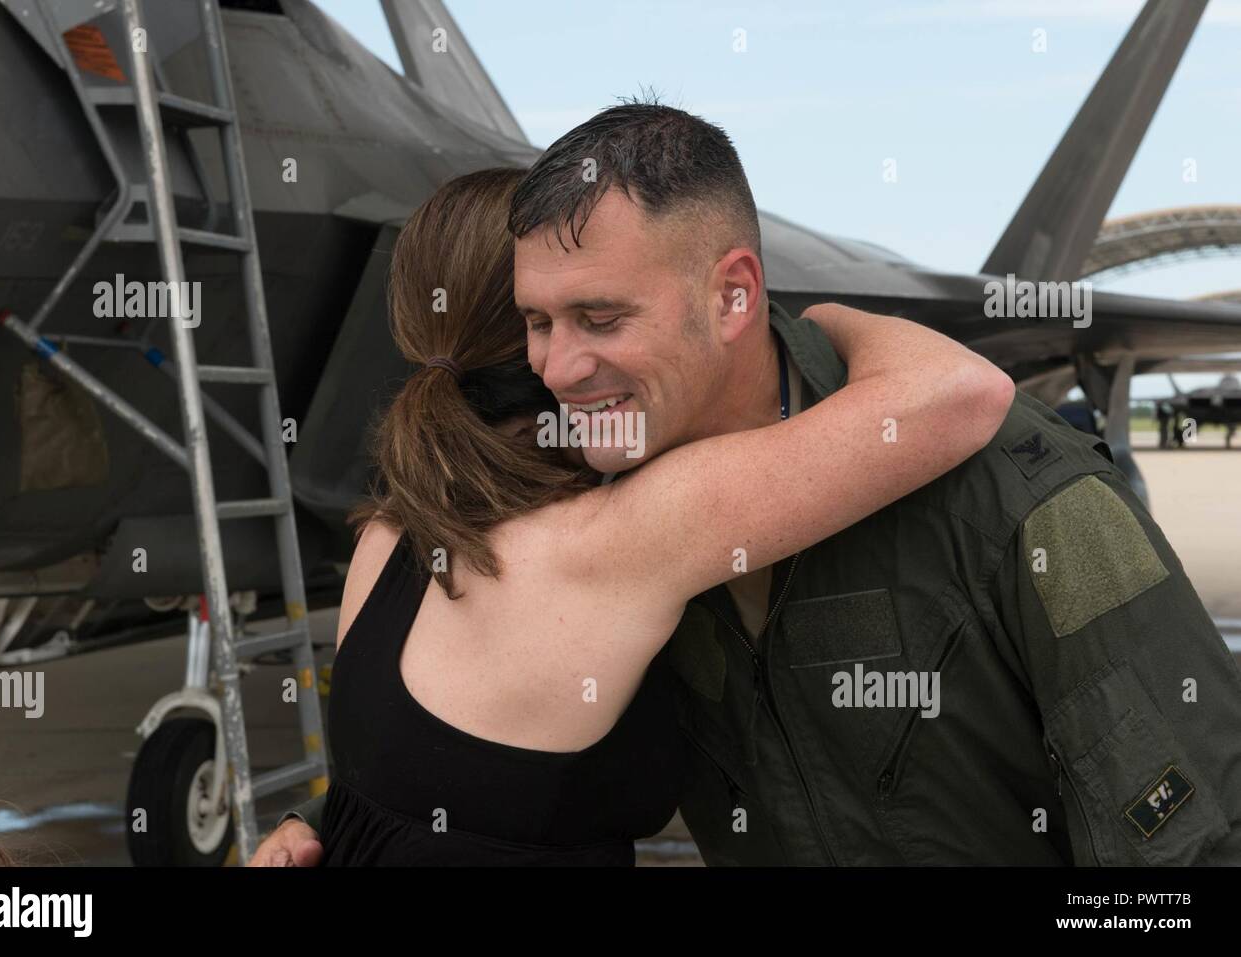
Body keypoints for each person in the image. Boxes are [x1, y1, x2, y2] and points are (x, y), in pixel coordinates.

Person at [268, 102, 1241, 867]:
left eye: (601, 318)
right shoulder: (597, 518)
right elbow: (474, 754)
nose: (562, 367)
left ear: (732, 294)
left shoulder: (1021, 505)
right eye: (537, 325)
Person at [249, 165, 1014, 866]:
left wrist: (308, 820)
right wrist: (821, 318)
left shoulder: (388, 534)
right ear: (531, 331)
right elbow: (959, 391)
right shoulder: (625, 538)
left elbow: (404, 788)